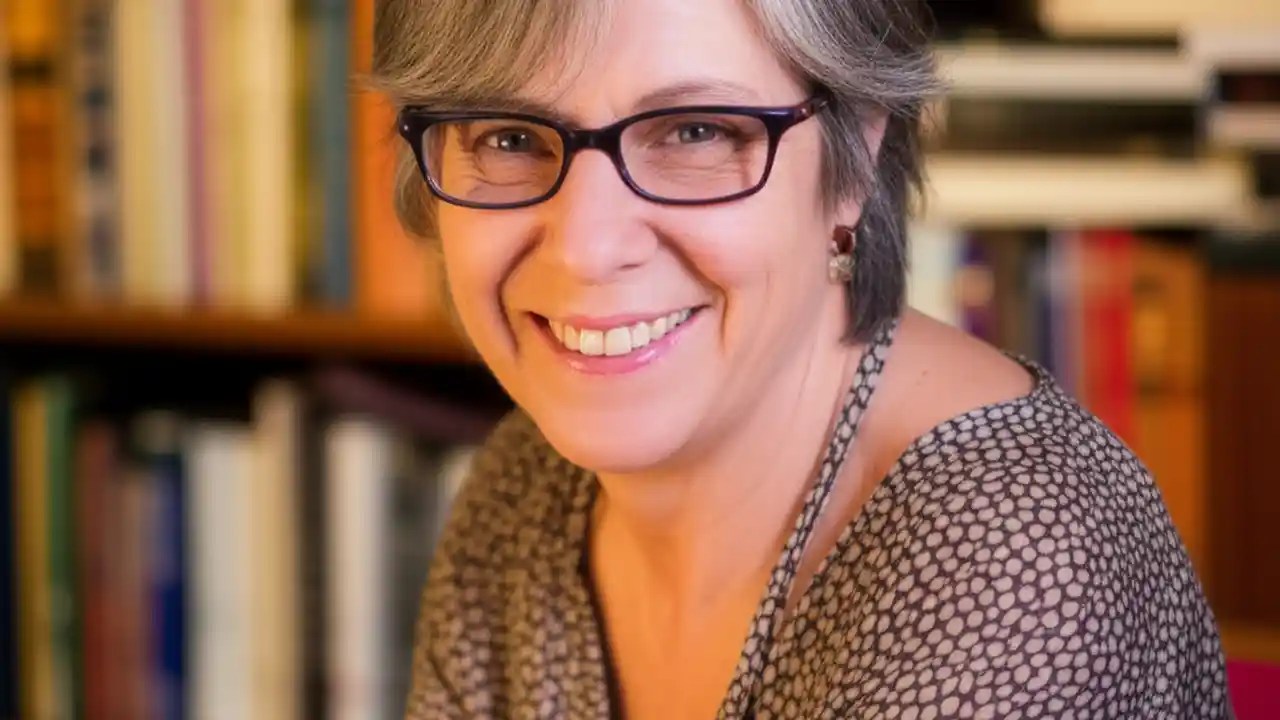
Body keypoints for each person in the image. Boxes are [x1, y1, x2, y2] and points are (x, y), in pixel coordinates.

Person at [373, 0, 1231, 717]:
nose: (588, 247)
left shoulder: (1021, 557)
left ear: (853, 155)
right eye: (509, 138)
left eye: (696, 131)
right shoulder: (524, 489)